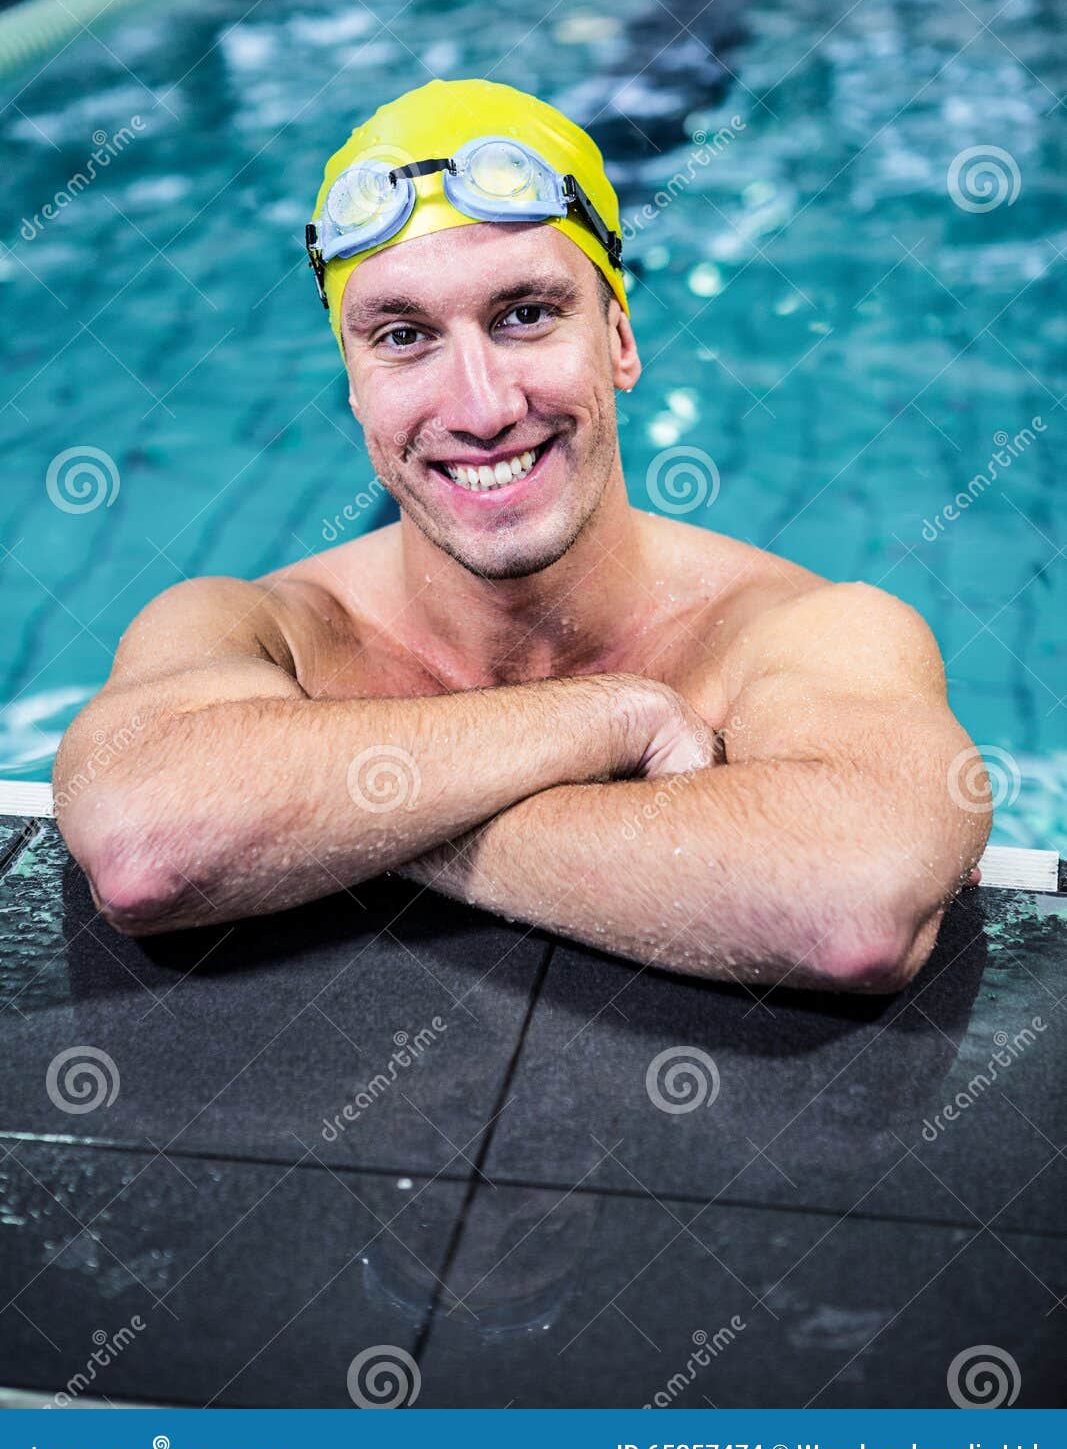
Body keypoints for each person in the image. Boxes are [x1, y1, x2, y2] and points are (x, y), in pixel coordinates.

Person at [54, 78, 989, 992]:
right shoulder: (253, 624)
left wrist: (327, 818)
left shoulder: (807, 630)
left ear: (619, 340)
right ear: (352, 385)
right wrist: (609, 719)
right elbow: (146, 848)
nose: (483, 406)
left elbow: (847, 909)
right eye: (403, 337)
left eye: (525, 316)